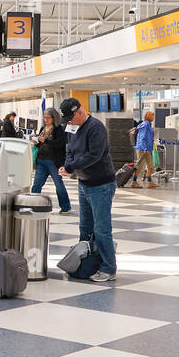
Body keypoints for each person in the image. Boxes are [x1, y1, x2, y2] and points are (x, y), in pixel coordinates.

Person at [58, 97, 117, 283]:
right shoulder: (72, 127)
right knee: (85, 228)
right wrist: (67, 165)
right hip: (84, 184)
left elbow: (95, 155)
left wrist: (71, 167)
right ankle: (86, 263)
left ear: (79, 112)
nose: (68, 122)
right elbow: (69, 149)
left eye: (70, 117)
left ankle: (109, 268)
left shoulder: (96, 127)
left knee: (101, 229)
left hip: (101, 184)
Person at [30, 108, 71, 213]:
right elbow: (41, 143)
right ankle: (33, 205)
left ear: (54, 118)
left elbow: (60, 144)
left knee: (58, 184)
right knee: (36, 184)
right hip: (41, 161)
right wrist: (37, 142)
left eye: (48, 118)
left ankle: (65, 206)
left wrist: (46, 141)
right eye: (44, 117)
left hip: (54, 161)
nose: (46, 120)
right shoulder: (43, 128)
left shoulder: (58, 129)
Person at [133, 111, 157, 189]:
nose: (153, 117)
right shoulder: (145, 125)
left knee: (150, 165)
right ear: (149, 116)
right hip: (143, 149)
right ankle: (134, 182)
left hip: (147, 148)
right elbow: (142, 137)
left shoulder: (149, 125)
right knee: (140, 165)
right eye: (152, 116)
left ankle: (149, 182)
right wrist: (145, 148)